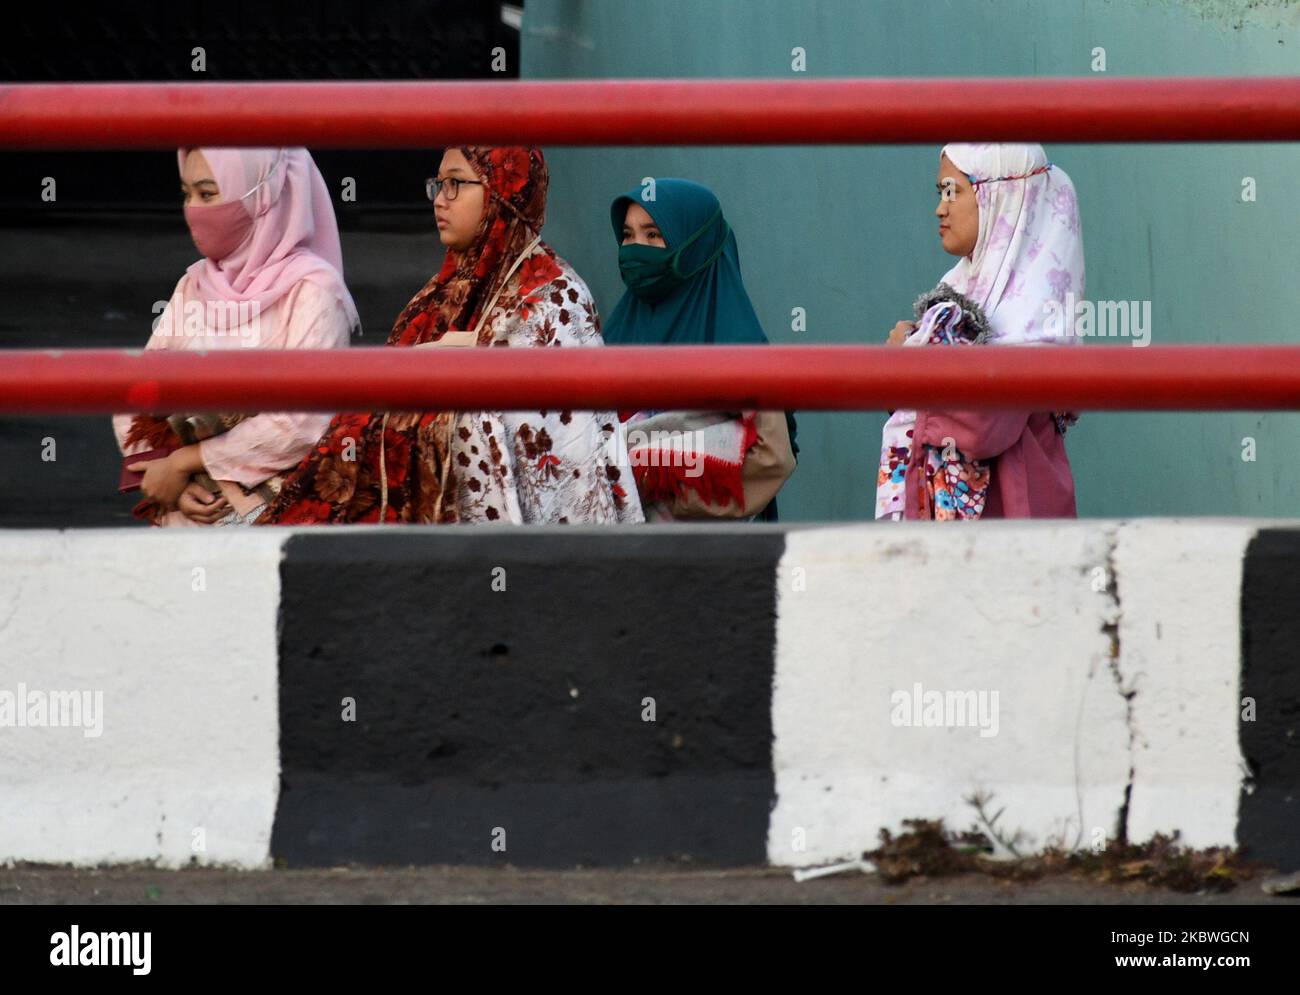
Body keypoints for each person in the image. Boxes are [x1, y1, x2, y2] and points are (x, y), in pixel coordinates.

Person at [257, 146, 642, 525]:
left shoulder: (555, 297)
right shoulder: (440, 294)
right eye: (438, 184)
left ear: (503, 193)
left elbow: (542, 448)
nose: (440, 200)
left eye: (456, 183)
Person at [112, 147, 358, 526]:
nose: (193, 208)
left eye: (208, 194)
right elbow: (134, 395)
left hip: (271, 528)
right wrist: (164, 477)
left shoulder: (313, 291)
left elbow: (304, 422)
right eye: (187, 193)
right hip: (181, 519)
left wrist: (188, 461)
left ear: (263, 196)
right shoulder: (194, 285)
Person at [876, 142, 1083, 521]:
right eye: (941, 193)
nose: (941, 207)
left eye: (954, 191)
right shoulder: (967, 290)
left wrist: (907, 362)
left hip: (1014, 540)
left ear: (1002, 196)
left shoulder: (1033, 312)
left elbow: (980, 426)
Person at [603, 178, 797, 522]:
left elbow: (772, 459)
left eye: (653, 235)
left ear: (695, 246)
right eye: (628, 236)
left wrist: (669, 502)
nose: (636, 249)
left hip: (708, 555)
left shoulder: (740, 348)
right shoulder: (612, 336)